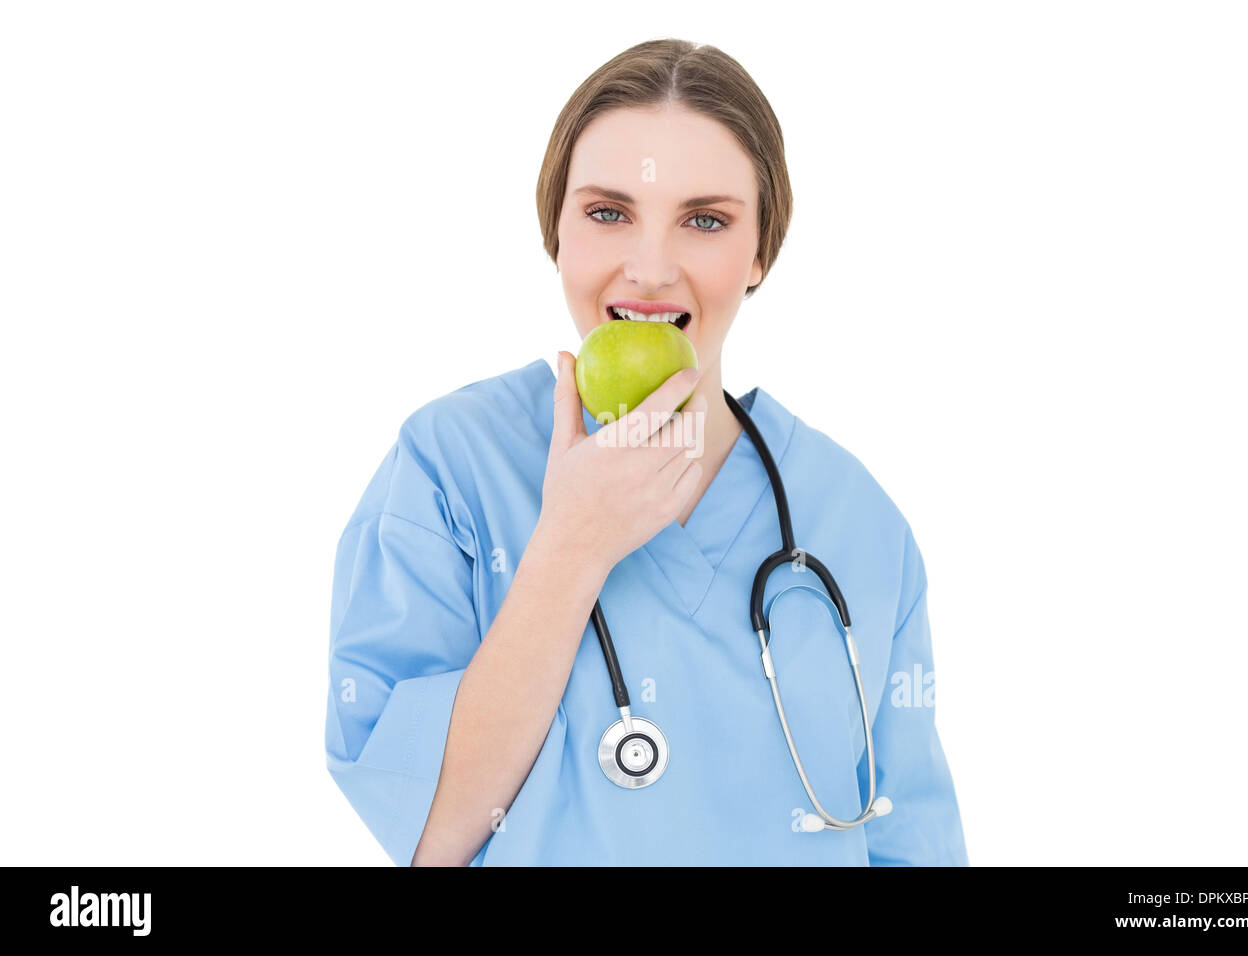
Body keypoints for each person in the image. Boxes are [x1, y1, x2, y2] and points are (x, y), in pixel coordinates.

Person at [325, 37, 968, 866]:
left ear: (761, 251)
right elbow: (428, 833)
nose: (652, 267)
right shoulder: (450, 469)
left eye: (705, 221)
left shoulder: (857, 520)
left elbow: (910, 844)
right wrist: (570, 550)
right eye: (607, 212)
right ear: (554, 230)